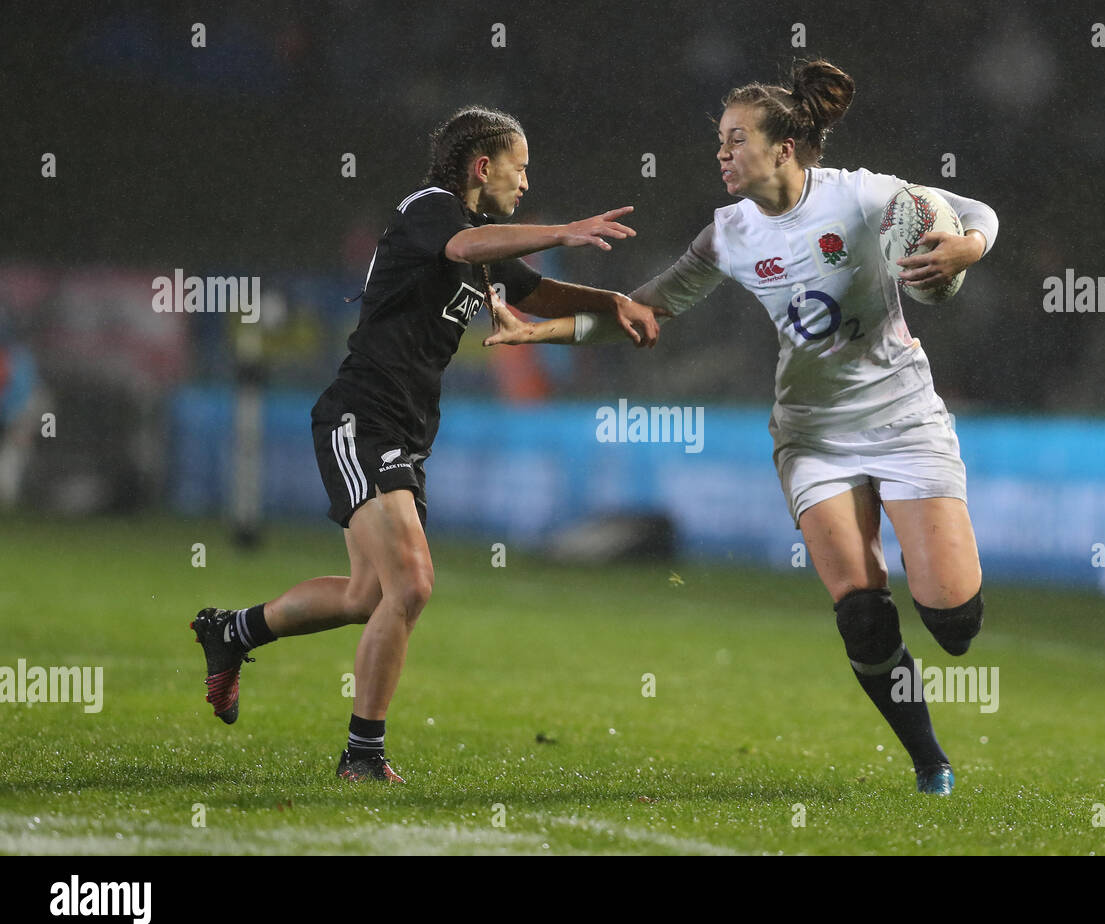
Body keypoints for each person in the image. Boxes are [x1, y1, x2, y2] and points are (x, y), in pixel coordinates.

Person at [486, 62, 997, 795]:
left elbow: (978, 211)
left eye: (735, 140)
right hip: (811, 434)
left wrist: (966, 249)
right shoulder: (729, 234)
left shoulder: (863, 195)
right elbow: (639, 310)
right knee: (860, 612)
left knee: (954, 622)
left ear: (784, 146)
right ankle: (930, 761)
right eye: (719, 142)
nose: (722, 154)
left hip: (905, 419)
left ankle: (946, 642)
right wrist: (536, 332)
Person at [191, 106, 660, 783]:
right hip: (363, 418)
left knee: (365, 595)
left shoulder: (476, 239)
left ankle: (232, 631)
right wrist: (563, 231)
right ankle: (363, 753)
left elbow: (537, 292)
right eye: (519, 167)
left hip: (406, 431)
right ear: (482, 167)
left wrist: (611, 300)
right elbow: (466, 251)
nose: (526, 181)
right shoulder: (432, 209)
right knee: (411, 584)